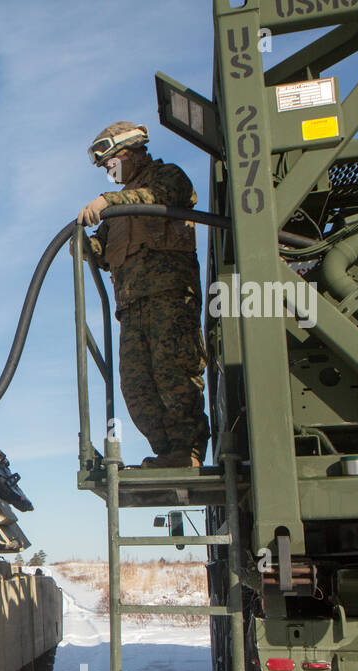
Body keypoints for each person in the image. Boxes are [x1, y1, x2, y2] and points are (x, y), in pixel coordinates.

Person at [78, 121, 210, 468]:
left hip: (169, 298)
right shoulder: (118, 209)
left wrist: (108, 201)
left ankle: (188, 451)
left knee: (174, 373)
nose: (109, 171)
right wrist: (86, 245)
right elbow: (104, 250)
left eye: (111, 163)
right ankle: (168, 452)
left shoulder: (167, 177)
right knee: (136, 386)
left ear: (129, 152)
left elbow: (161, 197)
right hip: (131, 307)